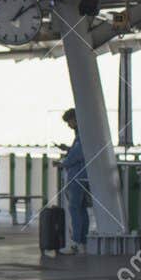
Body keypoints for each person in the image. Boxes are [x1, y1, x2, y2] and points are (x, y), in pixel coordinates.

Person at [57, 108, 89, 254]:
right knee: (81, 209)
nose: (69, 126)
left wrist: (63, 163)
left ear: (75, 120)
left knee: (75, 209)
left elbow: (78, 154)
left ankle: (76, 242)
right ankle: (82, 241)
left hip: (77, 177)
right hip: (83, 176)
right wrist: (68, 149)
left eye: (69, 122)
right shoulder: (84, 133)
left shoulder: (82, 134)